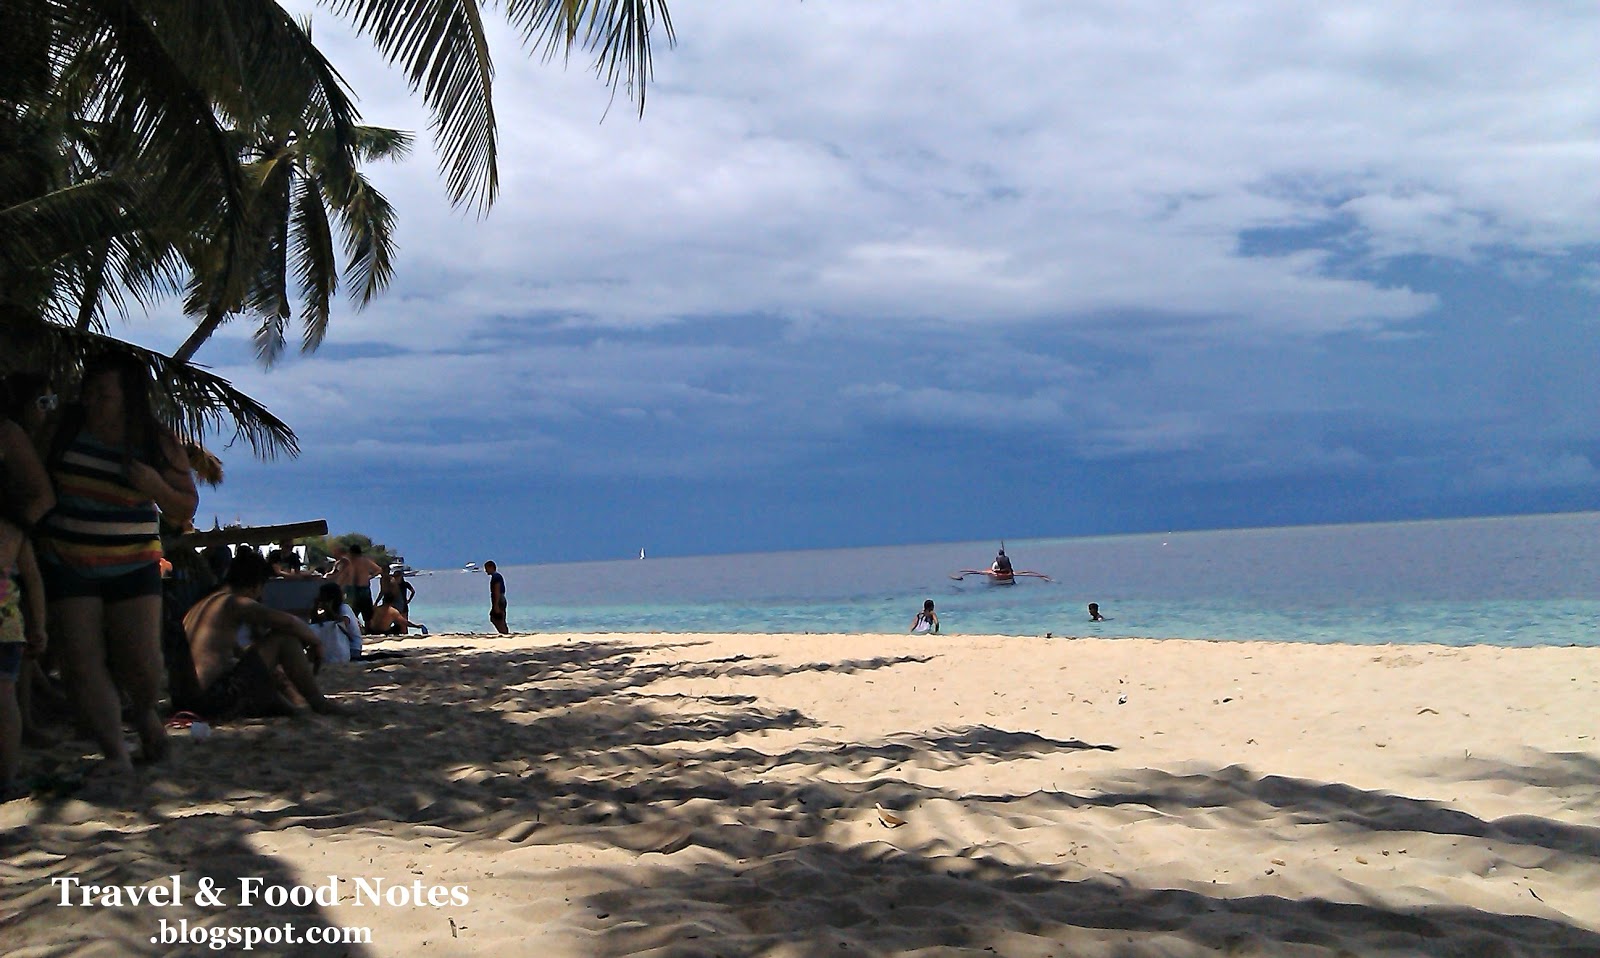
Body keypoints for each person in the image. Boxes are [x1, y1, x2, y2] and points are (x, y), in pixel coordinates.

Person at [36, 356, 198, 774]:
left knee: (142, 666)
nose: (93, 401)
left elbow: (184, 507)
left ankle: (145, 717)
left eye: (103, 395)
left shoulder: (156, 441)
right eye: (89, 392)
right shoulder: (65, 426)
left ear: (129, 398)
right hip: (68, 560)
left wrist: (155, 486)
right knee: (81, 662)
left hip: (133, 564)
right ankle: (116, 754)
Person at [183, 549, 347, 718]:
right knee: (284, 639)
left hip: (185, 701)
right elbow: (288, 622)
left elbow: (235, 653)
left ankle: (294, 710)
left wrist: (272, 669)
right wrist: (316, 642)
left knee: (265, 673)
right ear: (255, 586)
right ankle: (318, 702)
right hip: (212, 701)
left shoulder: (203, 606)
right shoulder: (232, 602)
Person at [329, 543, 382, 631]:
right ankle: (364, 630)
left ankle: (356, 629)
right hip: (360, 587)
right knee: (363, 612)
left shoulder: (350, 561)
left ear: (352, 552)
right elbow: (379, 570)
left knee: (354, 611)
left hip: (353, 588)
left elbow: (342, 573)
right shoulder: (364, 561)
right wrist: (370, 576)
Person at [308, 581, 363, 664]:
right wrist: (315, 608)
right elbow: (315, 623)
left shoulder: (344, 608)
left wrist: (329, 610)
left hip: (353, 647)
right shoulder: (331, 611)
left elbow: (343, 624)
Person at [484, 560, 508, 634]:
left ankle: (504, 632)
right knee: (498, 617)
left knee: (496, 617)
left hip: (499, 599)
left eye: (486, 568)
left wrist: (496, 605)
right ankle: (504, 632)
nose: (485, 570)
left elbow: (497, 591)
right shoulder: (496, 576)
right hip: (500, 599)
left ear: (491, 567)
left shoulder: (496, 577)